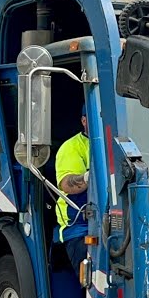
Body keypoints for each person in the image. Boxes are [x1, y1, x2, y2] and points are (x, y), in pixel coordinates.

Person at [54, 114, 90, 274]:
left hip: (116, 224)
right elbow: (67, 184)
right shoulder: (72, 147)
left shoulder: (115, 143)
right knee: (94, 280)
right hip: (79, 227)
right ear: (83, 120)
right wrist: (90, 176)